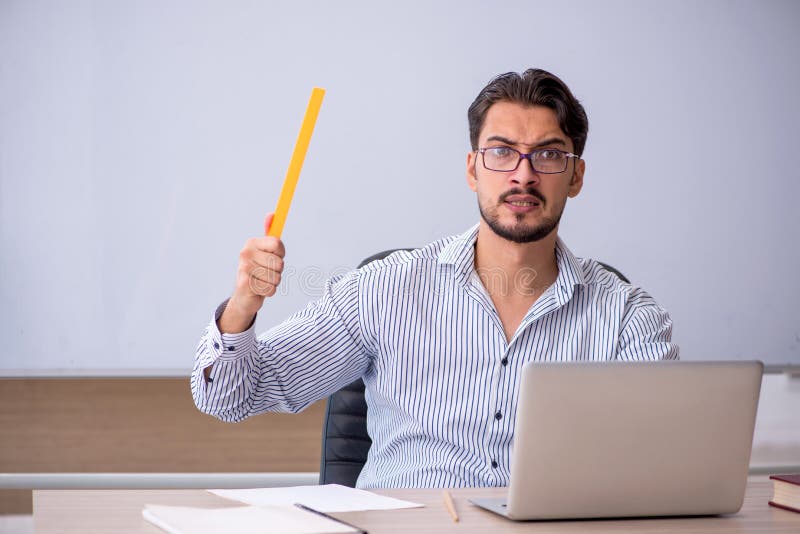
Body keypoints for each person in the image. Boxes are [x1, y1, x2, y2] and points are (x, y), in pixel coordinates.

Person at [191, 68, 679, 489]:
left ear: (575, 176)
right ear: (473, 169)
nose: (523, 175)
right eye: (502, 152)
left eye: (548, 155)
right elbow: (230, 397)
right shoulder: (383, 291)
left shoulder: (626, 319)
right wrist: (243, 306)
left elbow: (665, 468)